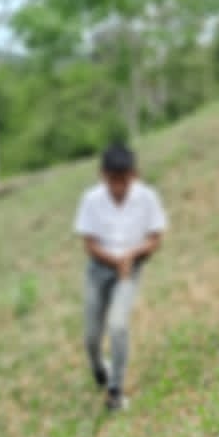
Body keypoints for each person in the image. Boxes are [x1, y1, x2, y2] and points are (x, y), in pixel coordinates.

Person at [74, 144, 167, 412]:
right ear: (103, 176)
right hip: (99, 268)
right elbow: (89, 244)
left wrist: (132, 256)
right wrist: (115, 261)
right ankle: (99, 368)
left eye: (124, 181)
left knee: (117, 325)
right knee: (92, 335)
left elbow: (155, 237)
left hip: (130, 269)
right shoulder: (91, 200)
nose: (119, 188)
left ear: (133, 175)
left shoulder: (147, 197)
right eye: (113, 181)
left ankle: (116, 389)